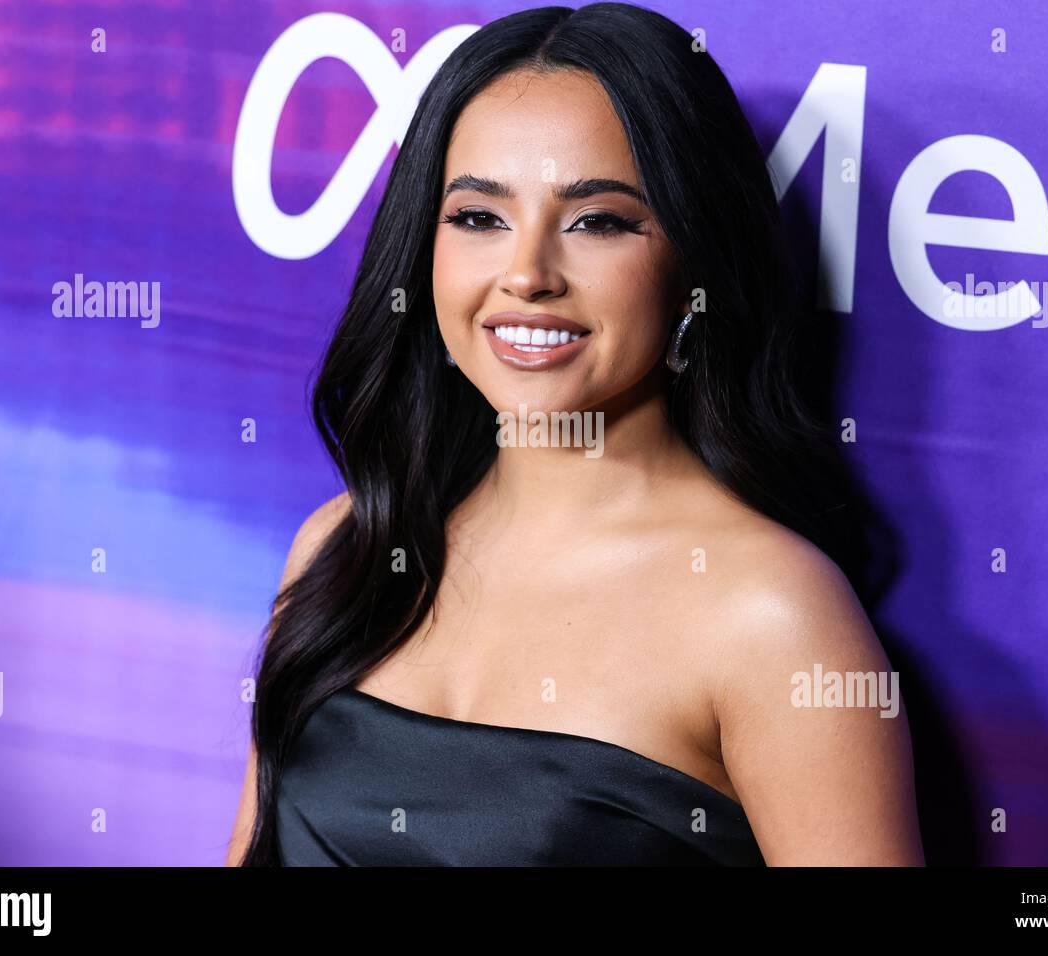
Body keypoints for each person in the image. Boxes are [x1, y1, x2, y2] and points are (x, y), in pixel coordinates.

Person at [227, 2, 923, 866]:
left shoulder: (772, 617)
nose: (526, 275)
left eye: (598, 221)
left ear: (693, 266)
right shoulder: (345, 548)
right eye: (480, 217)